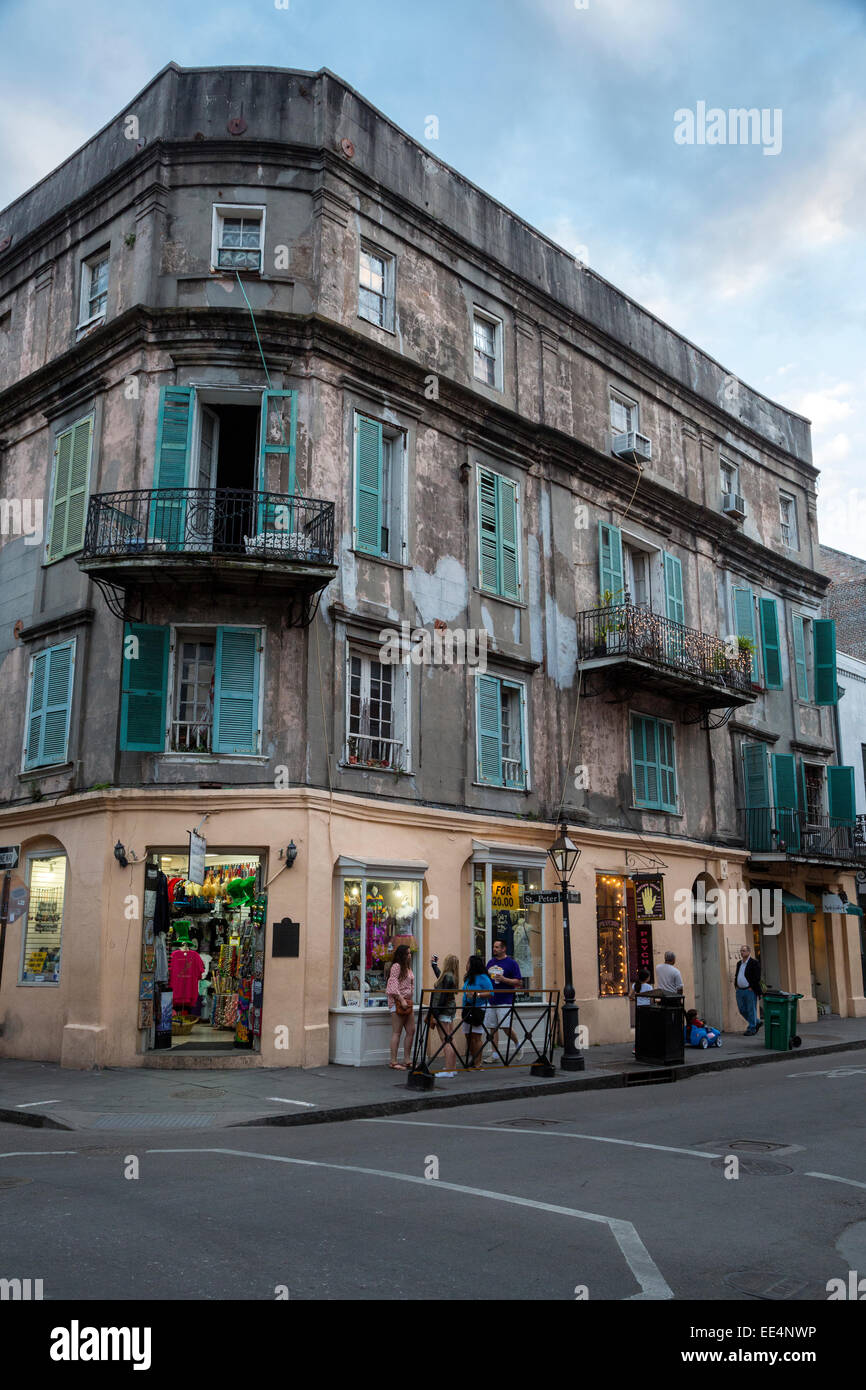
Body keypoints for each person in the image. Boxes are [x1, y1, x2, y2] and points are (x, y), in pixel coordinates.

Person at [485, 938, 522, 1060]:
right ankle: (494, 1054)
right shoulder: (490, 963)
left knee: (506, 1027)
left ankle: (518, 1045)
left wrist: (504, 979)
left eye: (496, 947)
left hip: (505, 1000)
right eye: (494, 947)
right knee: (492, 1028)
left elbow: (518, 982)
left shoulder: (511, 963)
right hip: (491, 999)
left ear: (503, 948)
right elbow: (487, 979)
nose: (494, 949)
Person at [461, 954, 494, 1070]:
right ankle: (474, 1058)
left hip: (479, 1008)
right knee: (468, 1035)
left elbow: (491, 992)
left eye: (468, 963)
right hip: (467, 1008)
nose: (466, 965)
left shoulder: (483, 977)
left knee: (476, 1036)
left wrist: (477, 994)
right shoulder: (469, 977)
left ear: (473, 965)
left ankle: (478, 1062)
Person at [385, 944, 416, 1069]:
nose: (410, 955)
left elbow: (410, 985)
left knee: (411, 1031)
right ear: (402, 955)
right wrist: (401, 998)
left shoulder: (408, 968)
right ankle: (393, 1061)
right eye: (407, 953)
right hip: (398, 1002)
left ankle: (407, 1059)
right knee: (397, 1032)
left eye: (410, 953)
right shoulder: (397, 966)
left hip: (407, 1003)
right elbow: (392, 985)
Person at [430, 953, 460, 1076]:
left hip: (443, 1011)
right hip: (450, 1010)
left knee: (445, 1040)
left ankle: (448, 1070)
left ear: (447, 963)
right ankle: (452, 1068)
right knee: (450, 1039)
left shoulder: (447, 977)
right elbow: (440, 977)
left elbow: (442, 997)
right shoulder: (451, 976)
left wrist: (435, 1014)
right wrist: (434, 965)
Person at [734, 943, 763, 1035]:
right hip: (740, 990)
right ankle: (757, 1022)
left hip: (749, 990)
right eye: (741, 951)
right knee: (742, 1009)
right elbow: (737, 975)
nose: (741, 952)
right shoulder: (739, 963)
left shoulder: (754, 963)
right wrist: (736, 985)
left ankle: (752, 1028)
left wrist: (752, 987)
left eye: (743, 950)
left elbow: (757, 977)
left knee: (751, 1009)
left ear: (749, 952)